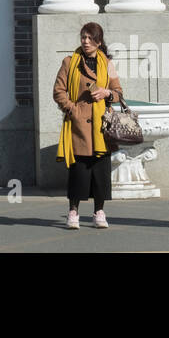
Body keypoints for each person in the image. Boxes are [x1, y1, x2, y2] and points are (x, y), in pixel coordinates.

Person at [53, 22, 124, 230]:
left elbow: (119, 93)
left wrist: (106, 92)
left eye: (90, 38)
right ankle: (73, 212)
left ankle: (99, 212)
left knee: (100, 173)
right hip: (78, 125)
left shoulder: (107, 64)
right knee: (78, 171)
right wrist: (72, 110)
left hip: (101, 127)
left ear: (98, 41)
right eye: (83, 37)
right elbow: (59, 91)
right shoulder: (69, 62)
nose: (85, 41)